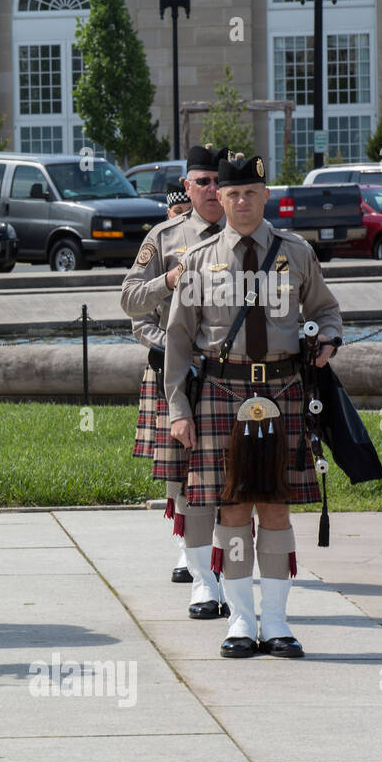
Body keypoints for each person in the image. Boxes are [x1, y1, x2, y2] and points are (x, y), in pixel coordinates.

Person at [165, 152, 343, 659]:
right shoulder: (198, 261)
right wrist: (178, 409)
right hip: (223, 391)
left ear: (267, 197)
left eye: (252, 193)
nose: (242, 201)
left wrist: (328, 338)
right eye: (233, 193)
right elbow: (179, 341)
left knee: (277, 506)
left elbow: (325, 309)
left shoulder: (296, 252)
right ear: (218, 198)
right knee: (234, 506)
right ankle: (241, 619)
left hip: (285, 391)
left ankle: (278, 622)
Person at [122, 145, 230, 620]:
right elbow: (130, 301)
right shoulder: (165, 237)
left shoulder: (247, 239)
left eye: (216, 182)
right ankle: (197, 563)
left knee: (231, 475)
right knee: (182, 471)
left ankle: (227, 569)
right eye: (201, 182)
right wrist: (167, 281)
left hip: (228, 375)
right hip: (176, 369)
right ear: (187, 186)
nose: (210, 190)